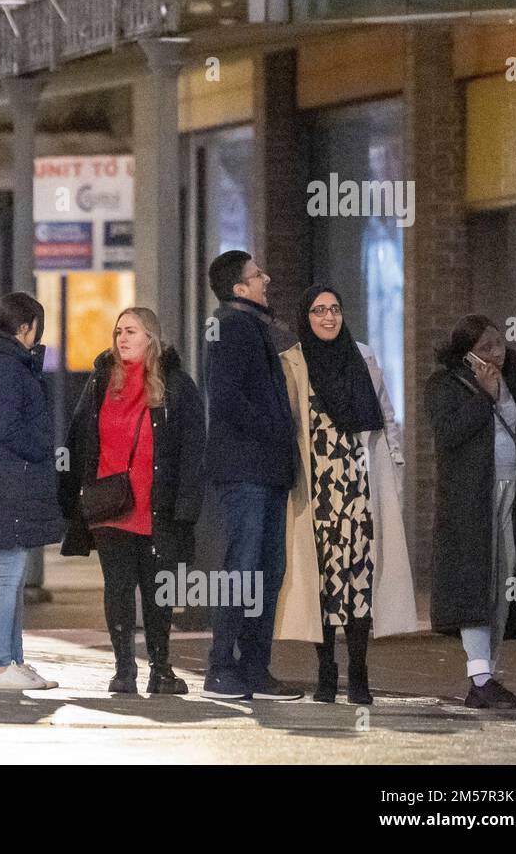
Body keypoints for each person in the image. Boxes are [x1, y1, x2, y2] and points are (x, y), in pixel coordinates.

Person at [274, 286, 417, 705]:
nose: (329, 317)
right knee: (321, 581)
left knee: (359, 579)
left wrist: (396, 466)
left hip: (359, 487)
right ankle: (325, 671)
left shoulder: (363, 357)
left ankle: (358, 673)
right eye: (319, 310)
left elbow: (386, 416)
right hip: (316, 491)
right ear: (307, 316)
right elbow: (289, 425)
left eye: (335, 309)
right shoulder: (294, 362)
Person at [59, 307, 205, 695]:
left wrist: (188, 506)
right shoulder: (101, 381)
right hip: (110, 507)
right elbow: (77, 438)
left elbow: (194, 448)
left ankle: (160, 669)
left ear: (151, 338)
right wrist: (72, 496)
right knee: (118, 587)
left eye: (132, 331)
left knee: (158, 590)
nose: (123, 338)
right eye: (119, 331)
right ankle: (124, 670)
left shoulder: (176, 384)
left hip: (158, 508)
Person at [428, 315, 516, 709]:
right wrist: (482, 394)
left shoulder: (515, 382)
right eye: (484, 348)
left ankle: (487, 677)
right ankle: (479, 677)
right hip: (471, 503)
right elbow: (449, 436)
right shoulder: (445, 385)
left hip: (515, 497)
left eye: (498, 344)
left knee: (505, 585)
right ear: (466, 354)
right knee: (478, 585)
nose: (495, 353)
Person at [200, 251, 302, 701]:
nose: (267, 277)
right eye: (257, 274)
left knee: (265, 571)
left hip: (266, 471)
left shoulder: (254, 326)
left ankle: (254, 669)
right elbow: (224, 397)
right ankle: (224, 668)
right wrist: (276, 429)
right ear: (239, 288)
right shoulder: (234, 326)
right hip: (246, 471)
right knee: (244, 569)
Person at [0, 292, 65, 691]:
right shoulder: (5, 368)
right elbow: (8, 428)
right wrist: (44, 448)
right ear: (26, 328)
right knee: (8, 575)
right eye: (36, 329)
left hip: (8, 480)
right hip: (11, 482)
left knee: (14, 574)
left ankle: (15, 661)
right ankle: (2, 664)